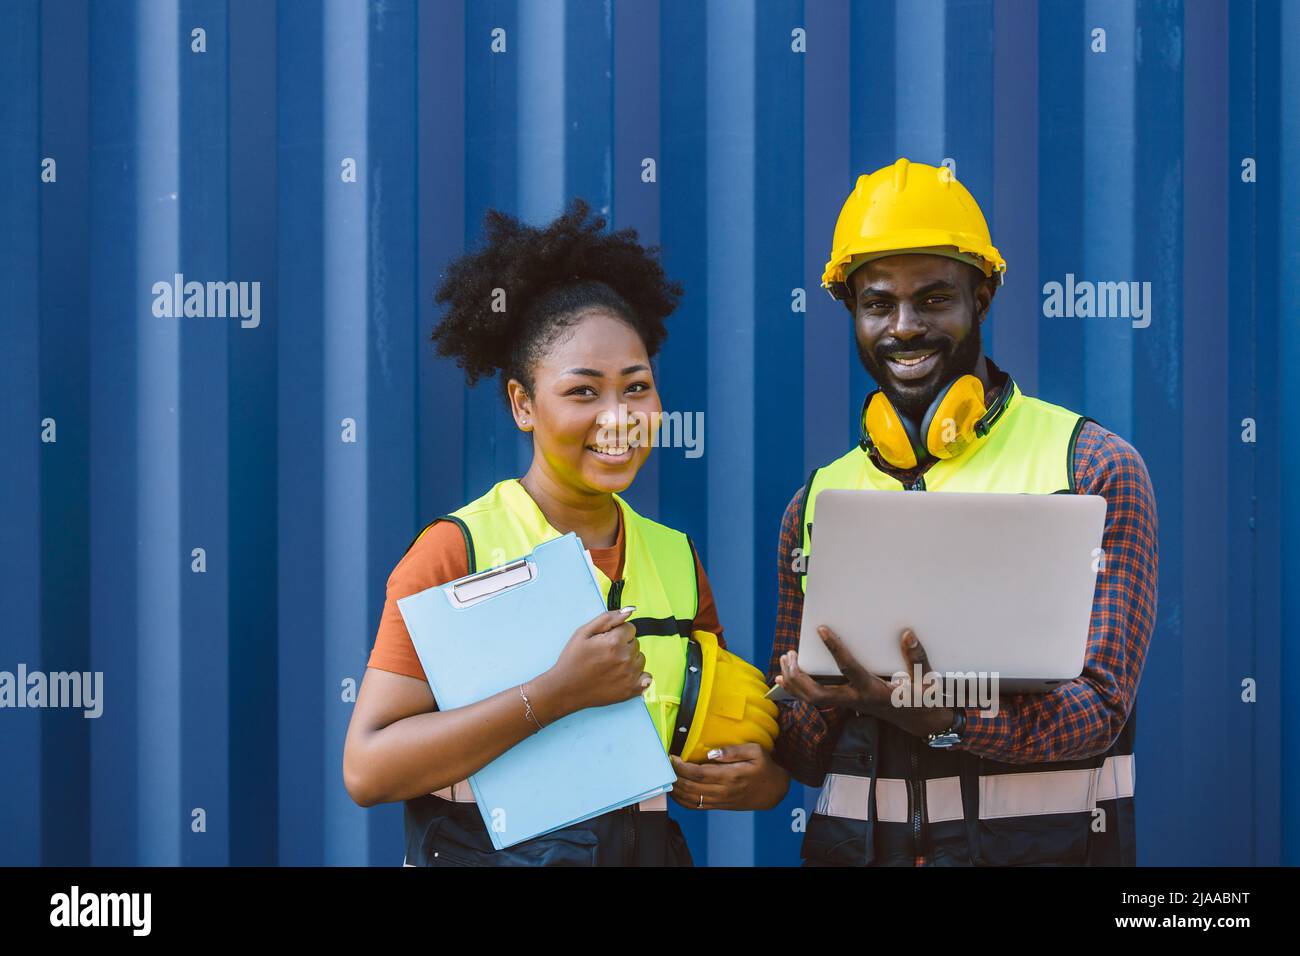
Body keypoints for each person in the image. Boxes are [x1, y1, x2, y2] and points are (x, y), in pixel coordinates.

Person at [343, 198, 788, 866]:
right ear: (524, 404)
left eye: (636, 388)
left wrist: (761, 783)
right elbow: (369, 768)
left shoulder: (675, 558)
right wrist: (555, 694)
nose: (618, 416)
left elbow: (714, 739)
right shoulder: (456, 550)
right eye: (584, 392)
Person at [771, 158, 1158, 866]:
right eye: (878, 303)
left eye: (934, 299)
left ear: (982, 295)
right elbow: (799, 753)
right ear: (850, 311)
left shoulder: (1093, 469)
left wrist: (946, 719)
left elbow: (1100, 709)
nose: (904, 328)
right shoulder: (817, 504)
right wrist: (802, 703)